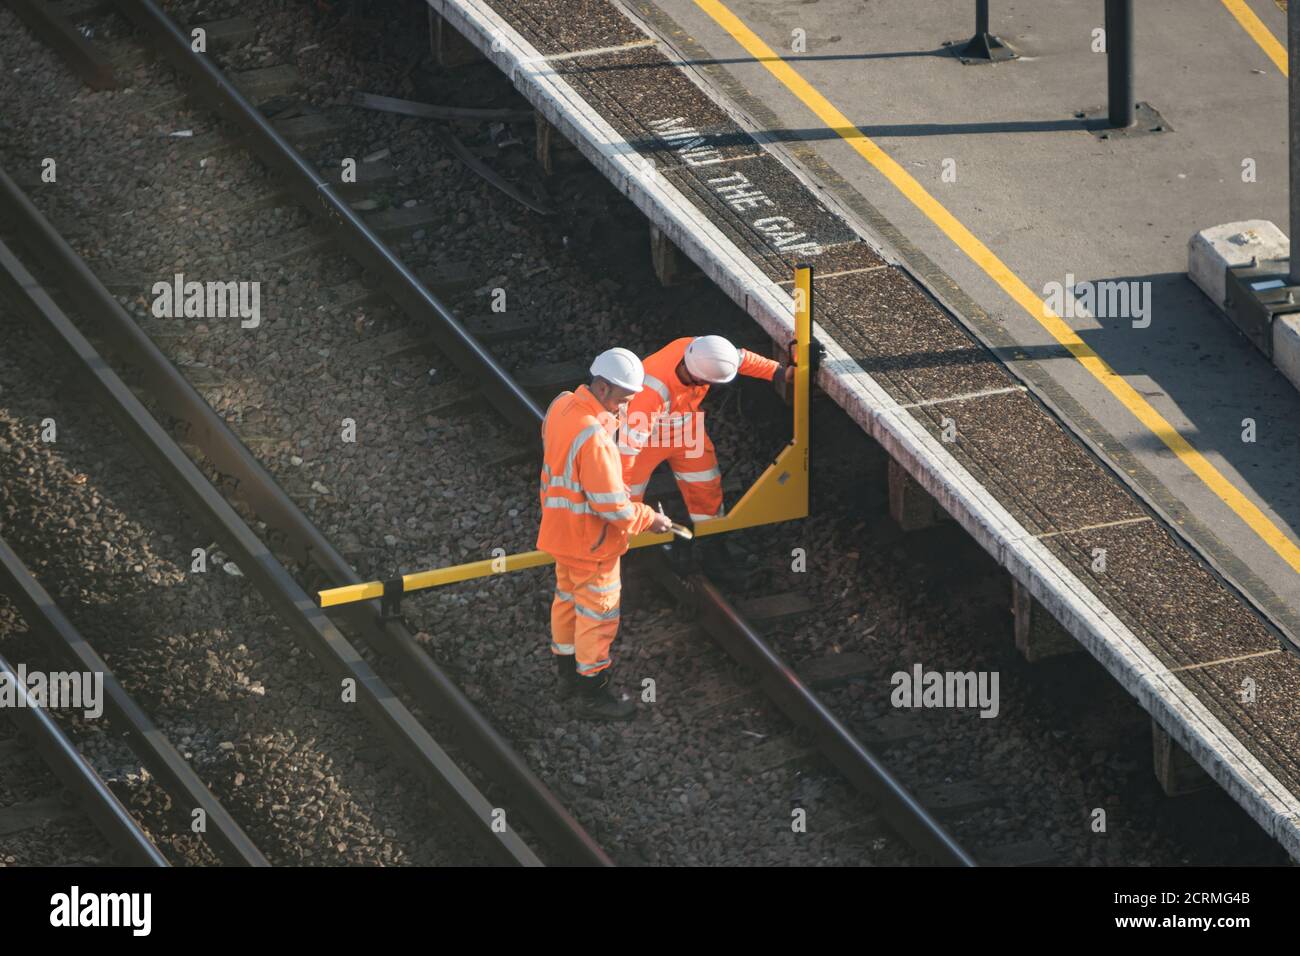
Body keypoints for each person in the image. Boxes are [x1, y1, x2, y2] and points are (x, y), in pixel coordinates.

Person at [537, 348, 675, 720]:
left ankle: (566, 678)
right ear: (601, 388)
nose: (624, 409)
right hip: (592, 544)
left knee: (567, 603)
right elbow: (612, 505)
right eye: (621, 400)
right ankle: (592, 695)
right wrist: (650, 519)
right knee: (598, 616)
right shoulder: (594, 437)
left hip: (560, 533)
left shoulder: (561, 406)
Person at [619, 335, 792, 574]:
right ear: (696, 375)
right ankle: (625, 550)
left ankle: (712, 546)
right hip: (645, 439)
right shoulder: (651, 390)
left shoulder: (707, 350)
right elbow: (628, 448)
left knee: (705, 486)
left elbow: (739, 358)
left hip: (687, 430)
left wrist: (778, 372)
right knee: (625, 494)